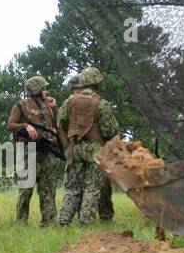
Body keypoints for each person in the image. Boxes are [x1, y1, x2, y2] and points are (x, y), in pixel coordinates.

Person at [56, 67, 119, 225]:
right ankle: (85, 222)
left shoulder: (70, 101)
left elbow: (61, 124)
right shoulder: (102, 104)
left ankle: (63, 221)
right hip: (95, 151)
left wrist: (67, 147)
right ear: (97, 83)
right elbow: (110, 131)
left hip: (74, 149)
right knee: (92, 188)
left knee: (72, 188)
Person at [7, 75, 61, 225]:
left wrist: (54, 107)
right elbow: (10, 125)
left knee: (48, 188)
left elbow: (56, 126)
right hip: (28, 151)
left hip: (47, 151)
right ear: (38, 89)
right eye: (44, 88)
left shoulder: (48, 106)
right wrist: (25, 126)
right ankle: (20, 222)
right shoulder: (21, 105)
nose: (46, 90)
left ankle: (49, 222)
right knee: (26, 188)